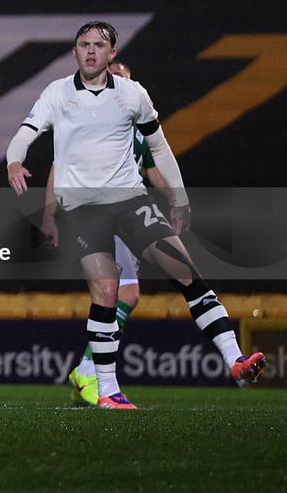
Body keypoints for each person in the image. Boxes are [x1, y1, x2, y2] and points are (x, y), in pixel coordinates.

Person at [6, 21, 266, 409]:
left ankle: (236, 360)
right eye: (83, 44)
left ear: (112, 55)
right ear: (74, 52)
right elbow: (26, 132)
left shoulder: (133, 95)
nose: (91, 51)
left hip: (131, 203)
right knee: (109, 290)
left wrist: (179, 198)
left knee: (186, 273)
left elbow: (159, 150)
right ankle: (107, 389)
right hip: (83, 210)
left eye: (99, 45)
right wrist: (14, 161)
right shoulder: (57, 93)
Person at [53, 60, 169, 405]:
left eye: (125, 79)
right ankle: (91, 372)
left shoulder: (136, 129)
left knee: (123, 294)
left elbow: (151, 171)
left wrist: (176, 192)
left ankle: (89, 371)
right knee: (118, 292)